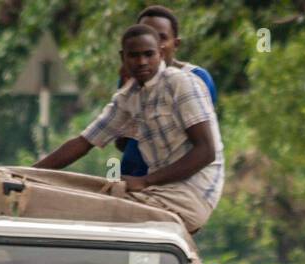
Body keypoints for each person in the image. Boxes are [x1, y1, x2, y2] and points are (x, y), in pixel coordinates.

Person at [33, 24, 222, 234]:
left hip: (191, 194)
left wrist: (145, 181)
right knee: (79, 193)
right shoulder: (128, 97)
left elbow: (206, 151)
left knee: (88, 211)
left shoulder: (181, 83)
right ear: (123, 57)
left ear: (160, 54)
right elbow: (83, 143)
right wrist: (24, 175)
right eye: (134, 56)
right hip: (157, 191)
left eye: (148, 54)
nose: (142, 62)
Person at [118, 5, 218, 180]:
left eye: (161, 37)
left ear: (176, 43)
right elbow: (121, 143)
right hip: (130, 178)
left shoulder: (195, 79)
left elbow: (201, 147)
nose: (154, 43)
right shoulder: (132, 79)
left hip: (172, 184)